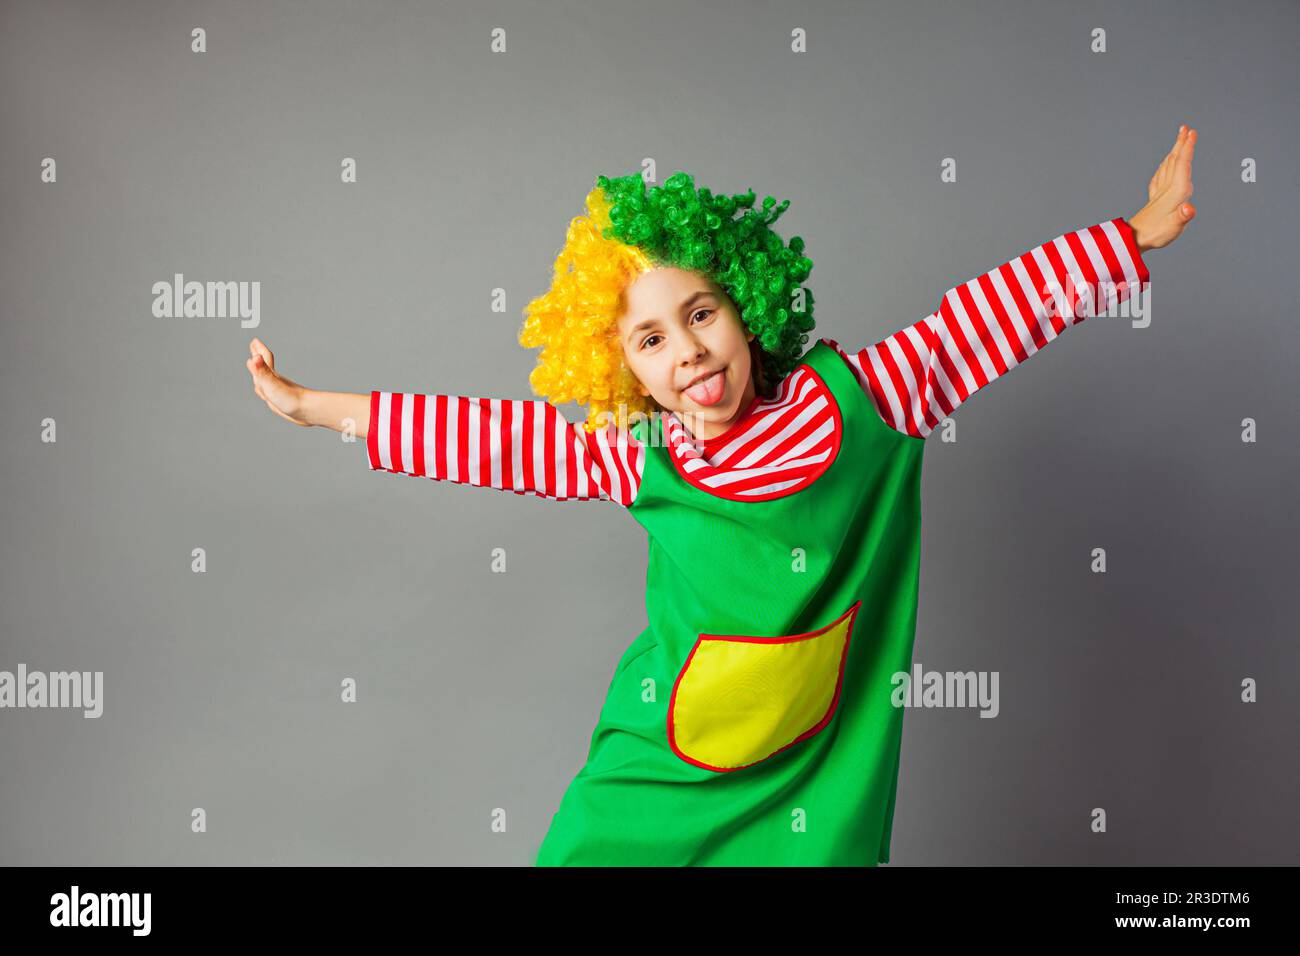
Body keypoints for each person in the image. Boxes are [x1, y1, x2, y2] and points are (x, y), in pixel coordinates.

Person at [246, 126, 1198, 865]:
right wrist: (317, 407)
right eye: (650, 339)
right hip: (667, 751)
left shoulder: (869, 397)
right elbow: (500, 440)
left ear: (747, 303)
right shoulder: (639, 453)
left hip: (813, 754)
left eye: (700, 313)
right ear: (622, 371)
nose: (688, 350)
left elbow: (982, 316)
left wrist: (1133, 235)